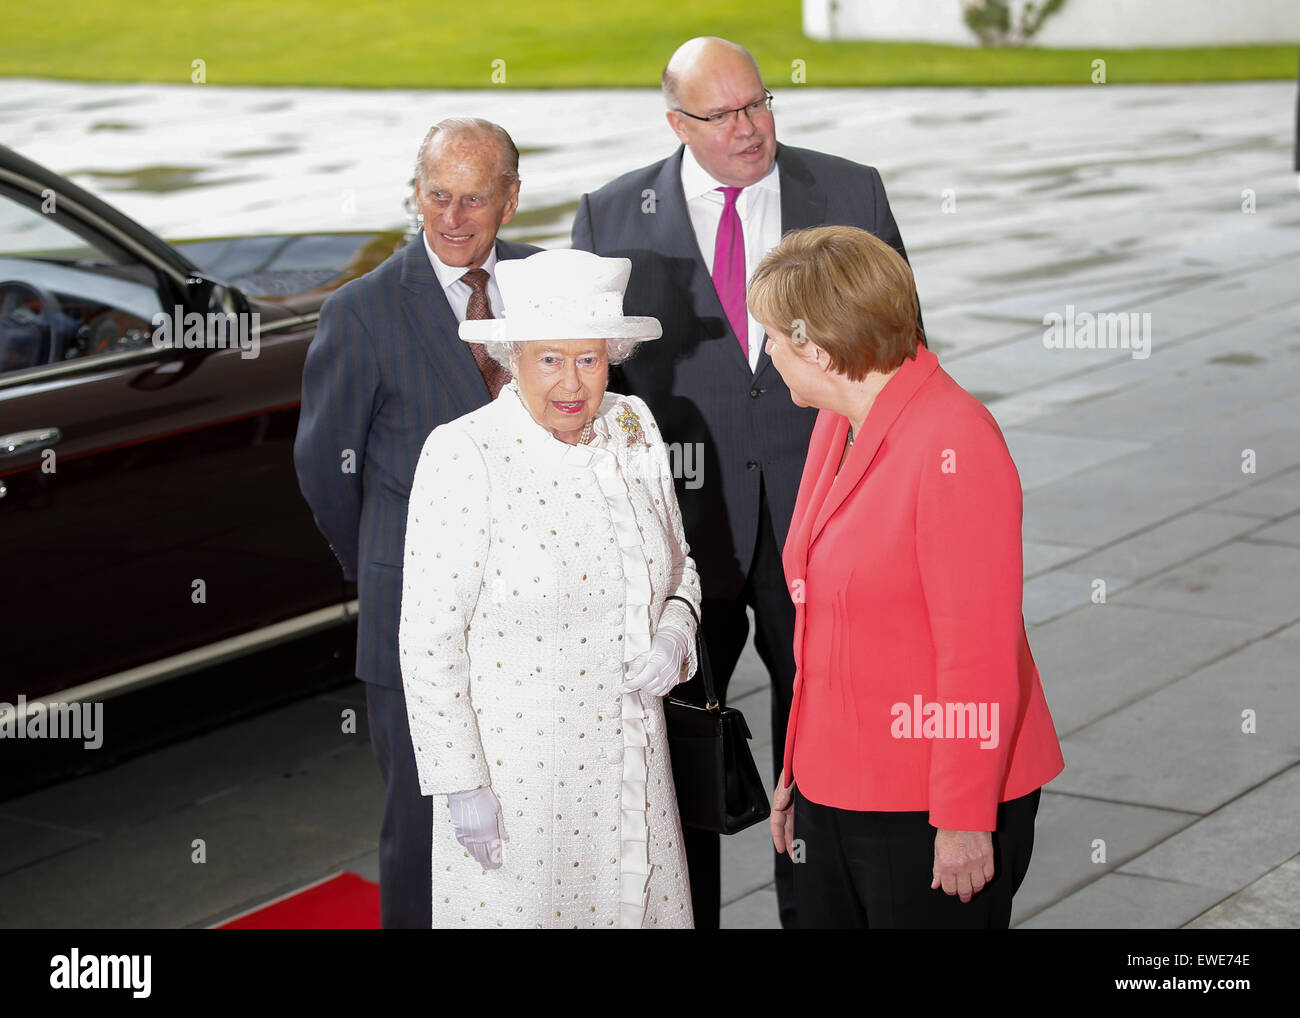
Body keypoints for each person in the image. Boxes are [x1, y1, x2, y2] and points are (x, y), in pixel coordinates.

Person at [570, 35, 917, 929]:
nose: (750, 126)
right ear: (677, 122)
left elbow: (901, 358)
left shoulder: (849, 192)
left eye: (759, 103)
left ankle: (822, 912)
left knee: (831, 742)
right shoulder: (611, 218)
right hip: (680, 540)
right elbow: (591, 394)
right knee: (676, 755)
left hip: (825, 524)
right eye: (722, 114)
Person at [751, 225, 1064, 928]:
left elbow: (978, 656)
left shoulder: (955, 441)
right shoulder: (840, 422)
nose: (766, 354)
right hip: (839, 787)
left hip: (929, 808)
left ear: (819, 350)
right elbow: (824, 623)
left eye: (771, 337)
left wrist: (962, 818)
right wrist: (799, 772)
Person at [399, 248, 699, 927]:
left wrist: (676, 632)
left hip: (631, 767)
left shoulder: (633, 427)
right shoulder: (464, 452)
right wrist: (462, 783)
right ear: (513, 357)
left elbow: (682, 564)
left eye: (589, 358)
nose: (572, 382)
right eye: (549, 359)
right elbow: (428, 639)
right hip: (518, 784)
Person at [293, 117, 539, 928]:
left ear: (510, 198)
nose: (455, 218)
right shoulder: (360, 312)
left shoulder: (550, 286)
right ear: (416, 194)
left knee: (535, 820)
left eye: (475, 198)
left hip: (544, 622)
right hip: (414, 626)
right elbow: (328, 470)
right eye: (438, 196)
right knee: (424, 828)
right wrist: (387, 567)